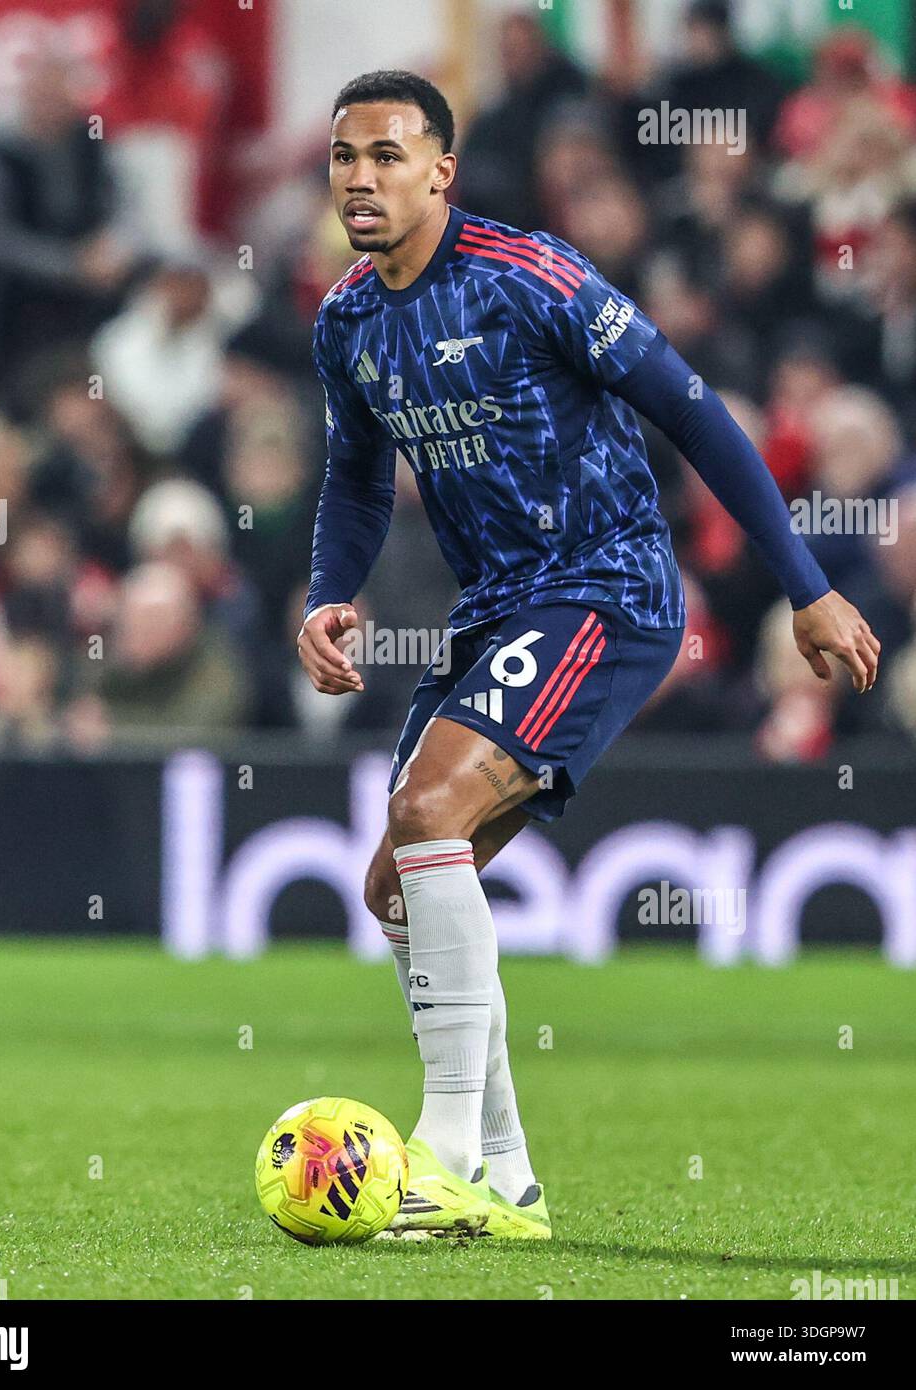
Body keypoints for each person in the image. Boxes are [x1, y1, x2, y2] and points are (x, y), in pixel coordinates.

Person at [297, 70, 880, 1241]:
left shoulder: (534, 278)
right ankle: (506, 1180)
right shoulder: (346, 320)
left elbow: (697, 410)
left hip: (604, 584)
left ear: (440, 171)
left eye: (388, 155)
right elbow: (356, 475)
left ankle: (446, 1148)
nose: (361, 178)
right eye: (344, 158)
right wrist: (329, 591)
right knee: (394, 886)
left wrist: (805, 586)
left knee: (427, 812)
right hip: (496, 608)